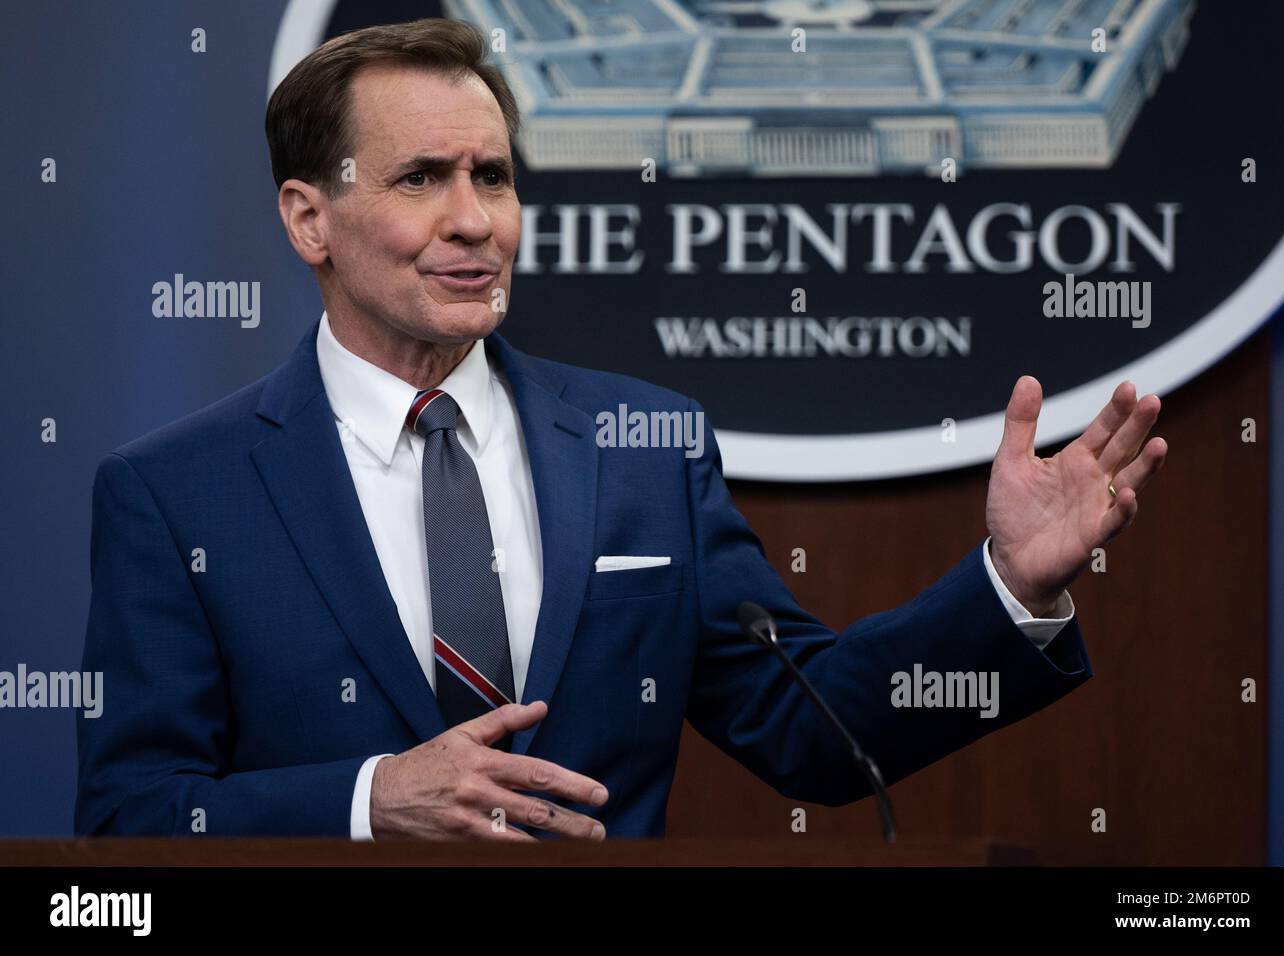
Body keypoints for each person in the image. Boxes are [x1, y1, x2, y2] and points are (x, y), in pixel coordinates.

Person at [75, 18, 1167, 840]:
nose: (474, 219)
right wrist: (370, 797)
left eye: (493, 176)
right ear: (308, 216)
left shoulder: (646, 443)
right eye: (421, 178)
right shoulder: (179, 493)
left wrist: (1008, 585)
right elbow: (127, 818)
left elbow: (812, 729)